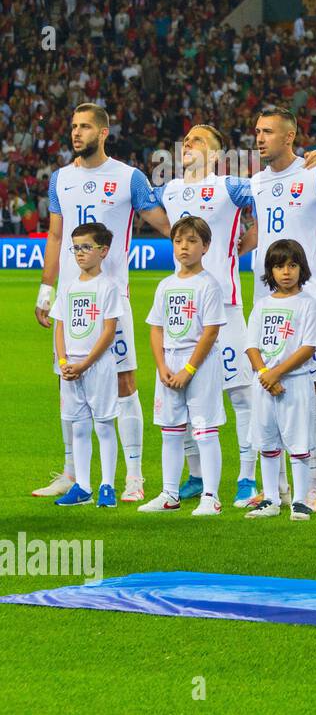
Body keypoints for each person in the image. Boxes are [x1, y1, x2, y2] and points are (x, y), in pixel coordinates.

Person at [34, 103, 171, 503]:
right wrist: (47, 290)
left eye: (85, 127)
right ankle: (72, 474)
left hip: (112, 299)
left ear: (104, 132)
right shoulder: (60, 178)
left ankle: (133, 477)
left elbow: (162, 223)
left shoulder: (129, 178)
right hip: (70, 298)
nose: (76, 133)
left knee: (125, 382)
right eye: (73, 126)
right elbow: (56, 237)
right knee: (67, 377)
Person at [156, 124, 259, 508]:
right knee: (179, 394)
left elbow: (272, 206)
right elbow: (141, 205)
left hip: (225, 307)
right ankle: (196, 477)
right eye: (186, 140)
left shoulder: (230, 186)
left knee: (241, 394)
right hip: (181, 310)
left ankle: (247, 478)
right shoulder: (168, 190)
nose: (188, 143)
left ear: (215, 155)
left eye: (198, 140)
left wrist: (242, 247)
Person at [247, 106, 316, 511]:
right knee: (268, 388)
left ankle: (314, 487)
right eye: (257, 131)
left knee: (313, 390)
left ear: (290, 136)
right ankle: (275, 490)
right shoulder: (255, 182)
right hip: (266, 299)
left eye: (268, 131)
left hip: (310, 299)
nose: (259, 138)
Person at [138, 216, 227, 516]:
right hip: (169, 363)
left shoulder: (209, 285)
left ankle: (211, 497)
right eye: (178, 241)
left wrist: (188, 370)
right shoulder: (165, 285)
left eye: (191, 241)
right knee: (171, 431)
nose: (184, 247)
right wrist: (162, 365)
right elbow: (155, 328)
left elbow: (210, 331)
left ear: (206, 247)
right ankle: (169, 494)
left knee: (204, 429)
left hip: (198, 363)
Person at [244, 239, 316, 521]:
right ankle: (270, 498)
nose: (286, 272)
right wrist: (264, 374)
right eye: (279, 266)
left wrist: (277, 373)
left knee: (299, 442)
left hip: (296, 382)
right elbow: (251, 345)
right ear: (271, 271)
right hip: (264, 384)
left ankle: (301, 500)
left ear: (302, 268)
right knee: (267, 442)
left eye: (292, 265)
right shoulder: (262, 304)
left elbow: (308, 346)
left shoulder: (309, 305)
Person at [50, 221, 124, 507]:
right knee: (78, 427)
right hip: (70, 368)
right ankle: (82, 485)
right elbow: (60, 326)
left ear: (103, 251)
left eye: (86, 248)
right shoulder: (67, 287)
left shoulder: (107, 287)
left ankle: (107, 485)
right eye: (76, 248)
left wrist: (85, 364)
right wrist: (64, 361)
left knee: (104, 424)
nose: (80, 253)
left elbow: (108, 331)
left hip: (98, 365)